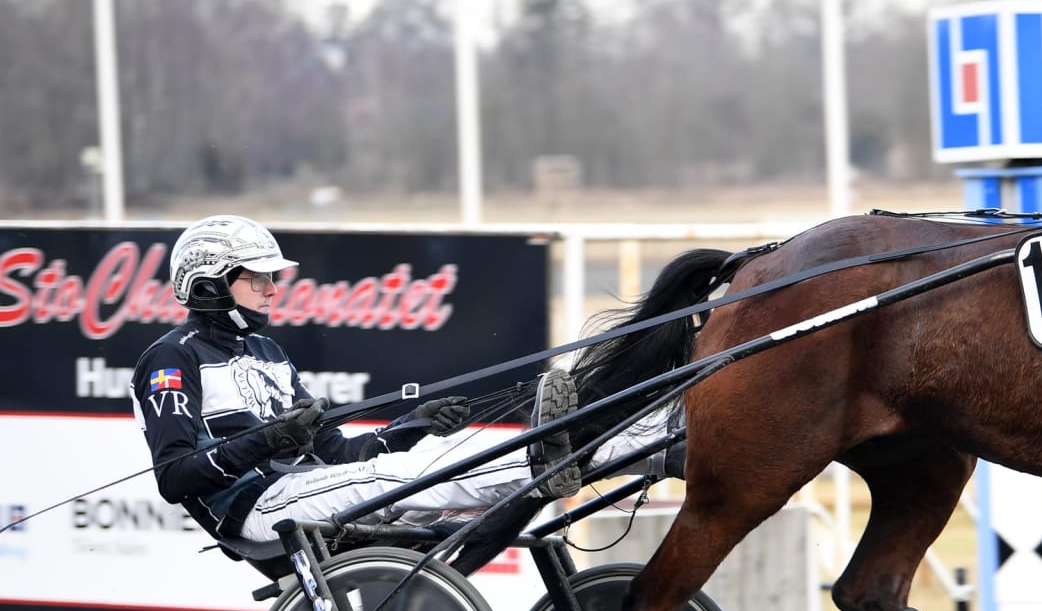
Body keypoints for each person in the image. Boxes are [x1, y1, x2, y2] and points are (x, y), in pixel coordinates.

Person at [129, 215, 673, 554]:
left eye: (274, 277)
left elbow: (339, 454)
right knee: (415, 474)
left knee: (442, 451)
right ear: (209, 284)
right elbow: (175, 478)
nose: (273, 289)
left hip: (308, 492)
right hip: (259, 510)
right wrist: (268, 440)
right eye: (259, 277)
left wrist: (410, 427)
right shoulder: (170, 360)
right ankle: (551, 459)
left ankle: (649, 444)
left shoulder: (269, 353)